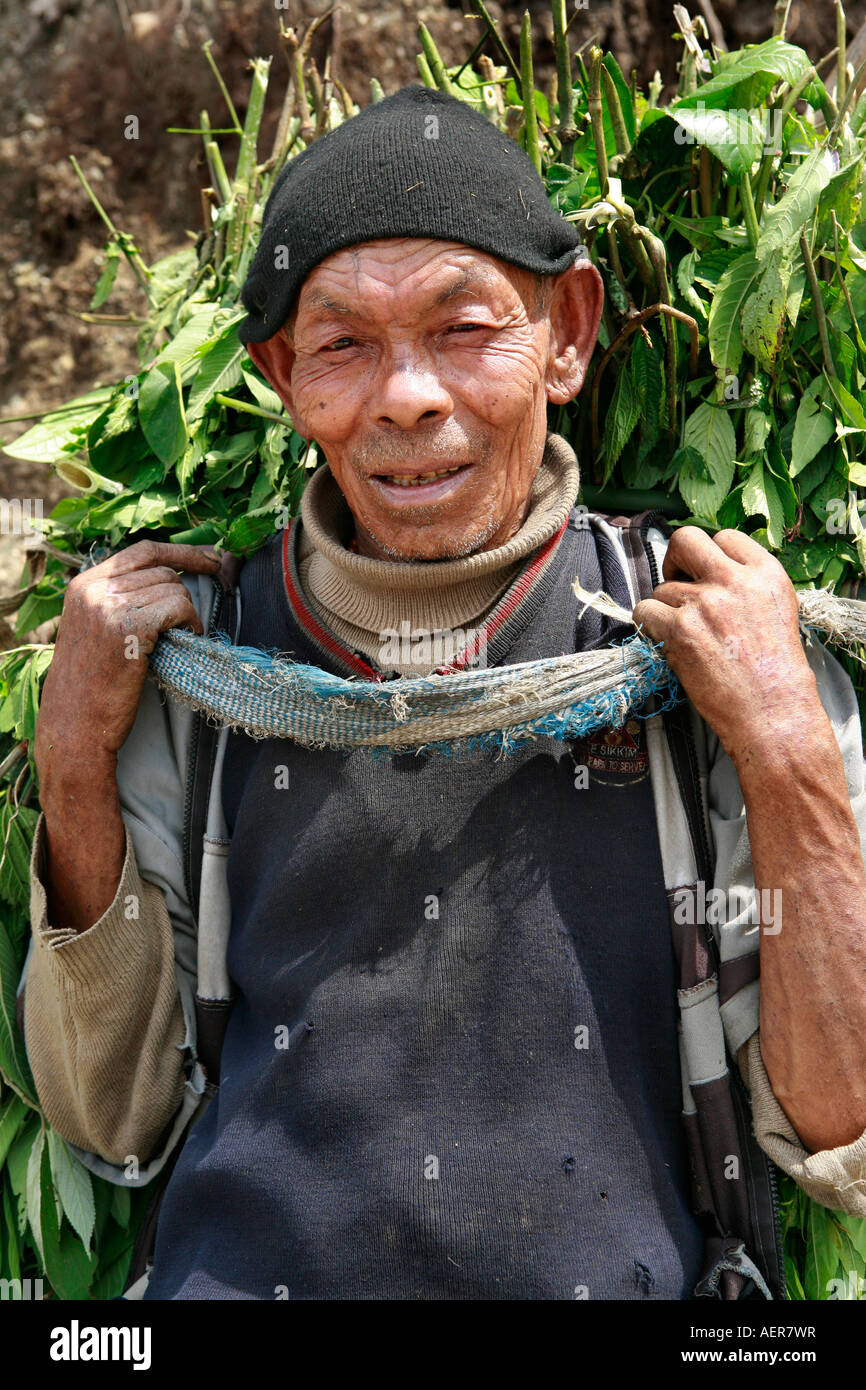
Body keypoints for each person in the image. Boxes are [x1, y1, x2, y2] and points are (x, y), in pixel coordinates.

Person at [21, 84, 866, 1301]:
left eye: (464, 328)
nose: (407, 394)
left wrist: (787, 751)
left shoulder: (711, 655)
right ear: (278, 374)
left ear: (567, 335)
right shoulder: (199, 667)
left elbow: (839, 1133)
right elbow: (113, 1121)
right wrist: (73, 767)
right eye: (343, 344)